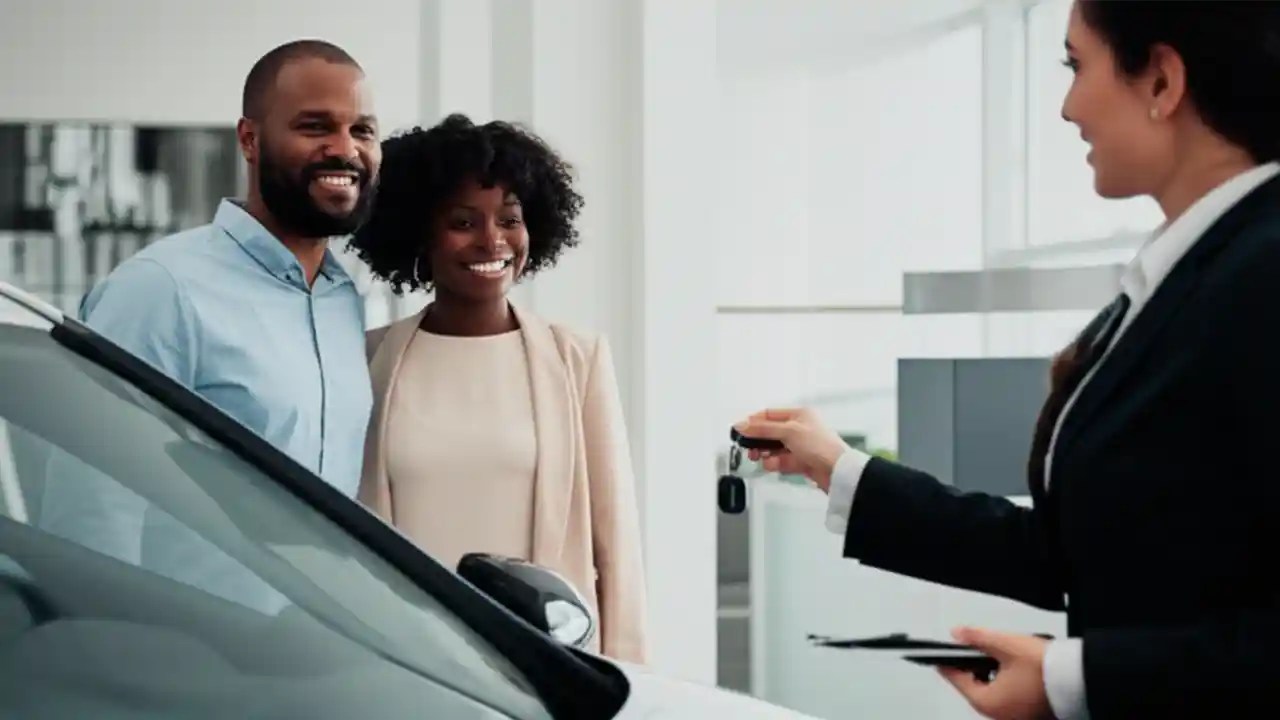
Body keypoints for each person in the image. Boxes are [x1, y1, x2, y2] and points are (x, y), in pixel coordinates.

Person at [735, 3, 1280, 719]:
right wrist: (840, 470)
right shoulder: (1184, 276)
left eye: (1076, 66)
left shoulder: (1262, 273)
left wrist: (1073, 678)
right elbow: (1075, 549)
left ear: (1161, 80)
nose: (1067, 108)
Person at [38, 40, 381, 612]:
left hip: (318, 646)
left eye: (362, 131)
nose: (344, 149)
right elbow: (90, 506)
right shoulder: (160, 289)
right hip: (190, 646)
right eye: (315, 126)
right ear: (249, 140)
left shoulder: (342, 300)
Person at [346, 113, 647, 662]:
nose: (492, 241)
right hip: (411, 661)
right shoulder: (368, 360)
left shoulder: (578, 358)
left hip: (545, 665)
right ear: (420, 234)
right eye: (463, 222)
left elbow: (617, 546)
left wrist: (629, 680)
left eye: (509, 219)